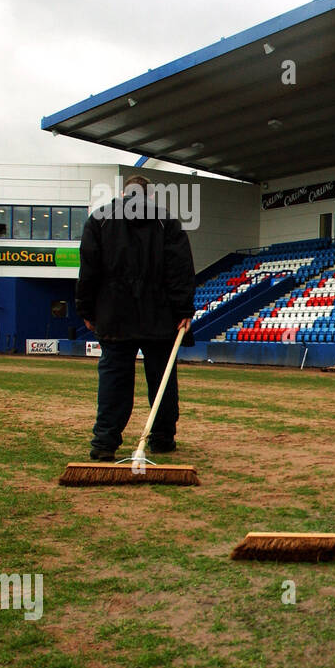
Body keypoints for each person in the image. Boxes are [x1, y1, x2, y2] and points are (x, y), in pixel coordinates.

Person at [75, 175, 196, 462]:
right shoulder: (168, 223)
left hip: (114, 317)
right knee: (162, 382)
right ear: (150, 195)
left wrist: (86, 310)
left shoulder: (99, 220)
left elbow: (88, 270)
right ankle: (162, 439)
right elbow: (180, 271)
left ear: (122, 194)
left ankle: (104, 443)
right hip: (160, 318)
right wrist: (183, 310)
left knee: (114, 382)